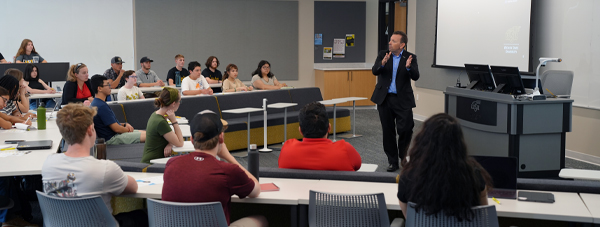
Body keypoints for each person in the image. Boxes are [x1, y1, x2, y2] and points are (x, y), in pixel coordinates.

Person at [41, 103, 148, 227]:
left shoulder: (48, 164)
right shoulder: (105, 169)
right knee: (143, 216)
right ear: (89, 130)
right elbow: (133, 187)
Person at [162, 110, 268, 227]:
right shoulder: (228, 171)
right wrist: (228, 157)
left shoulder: (171, 164)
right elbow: (256, 190)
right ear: (221, 138)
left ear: (192, 140)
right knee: (261, 220)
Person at [397, 113, 492, 221]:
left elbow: (411, 220)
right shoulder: (473, 175)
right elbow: (484, 217)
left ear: (423, 140)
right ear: (459, 143)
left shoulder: (408, 177)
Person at [371, 31, 420, 172]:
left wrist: (409, 67)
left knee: (406, 129)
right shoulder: (383, 54)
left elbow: (416, 76)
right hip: (385, 99)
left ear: (402, 44)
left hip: (402, 100)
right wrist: (382, 63)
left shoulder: (410, 57)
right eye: (390, 40)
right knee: (388, 131)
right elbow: (375, 71)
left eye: (393, 41)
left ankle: (403, 156)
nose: (390, 43)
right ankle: (392, 161)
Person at [279, 102, 361, 171]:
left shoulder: (287, 149)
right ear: (329, 127)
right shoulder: (345, 149)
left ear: (300, 130)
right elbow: (357, 165)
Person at [90, 75, 146, 145]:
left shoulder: (97, 103)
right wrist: (127, 130)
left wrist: (124, 124)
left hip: (115, 135)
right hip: (112, 139)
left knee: (149, 133)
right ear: (99, 88)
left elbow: (111, 123)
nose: (110, 87)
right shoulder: (101, 106)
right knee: (150, 136)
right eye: (107, 85)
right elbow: (117, 129)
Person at [140, 87, 184, 164]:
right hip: (152, 164)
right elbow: (180, 143)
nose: (180, 103)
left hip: (150, 160)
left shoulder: (155, 114)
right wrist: (174, 121)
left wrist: (170, 143)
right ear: (173, 104)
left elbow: (168, 136)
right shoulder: (161, 122)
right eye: (180, 101)